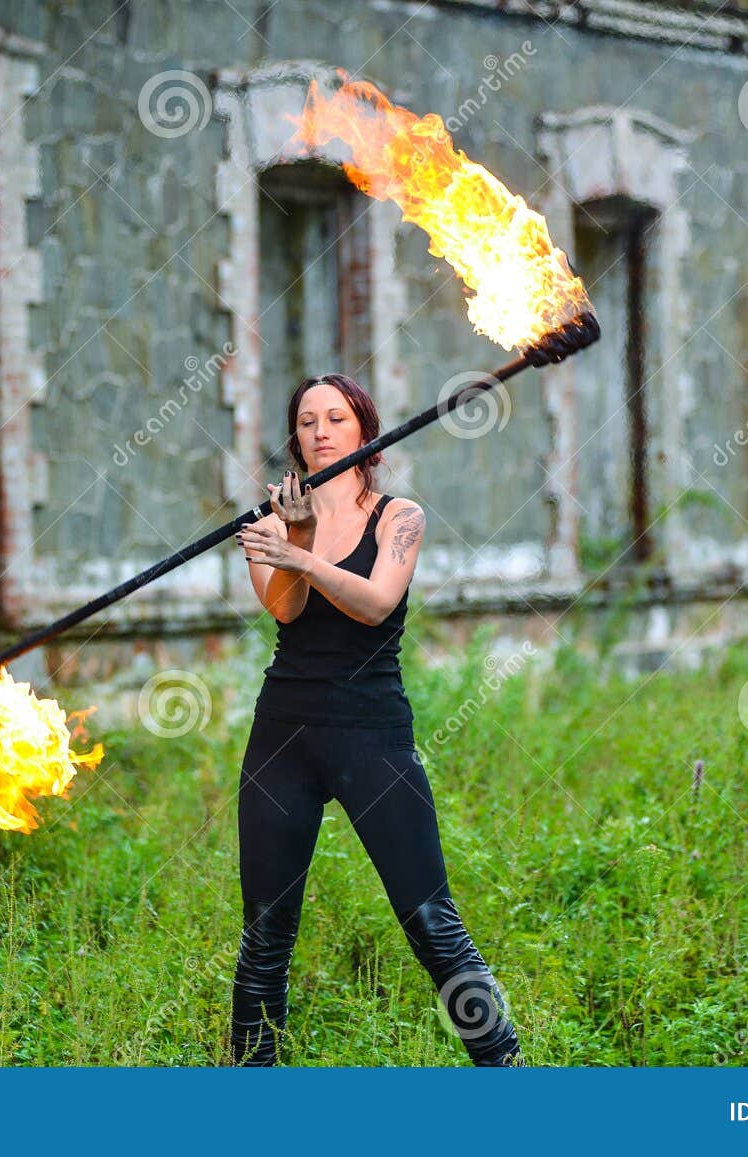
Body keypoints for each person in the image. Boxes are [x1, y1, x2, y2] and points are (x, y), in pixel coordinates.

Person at [227, 371, 522, 1067]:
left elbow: (375, 603)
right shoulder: (267, 524)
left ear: (365, 430)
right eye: (306, 421)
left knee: (431, 920)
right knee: (265, 934)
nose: (321, 430)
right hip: (284, 735)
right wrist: (295, 538)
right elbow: (285, 610)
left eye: (336, 417)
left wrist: (301, 553)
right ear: (295, 438)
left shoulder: (400, 516)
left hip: (373, 734)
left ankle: (507, 1074)